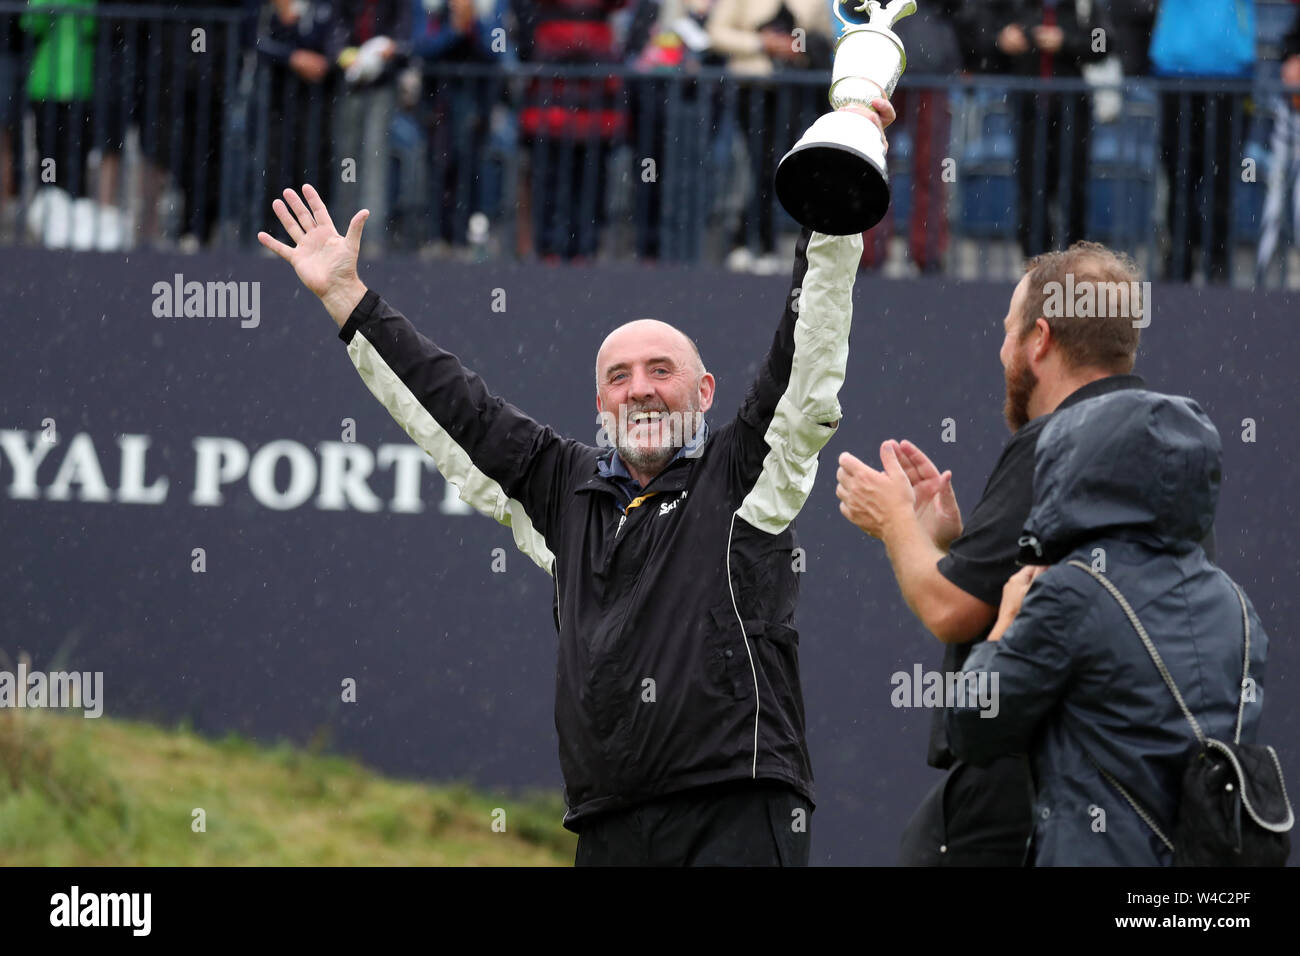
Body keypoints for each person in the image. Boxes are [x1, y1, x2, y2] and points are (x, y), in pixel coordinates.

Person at [256, 98, 893, 866]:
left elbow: (808, 359)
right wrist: (347, 300)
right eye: (619, 377)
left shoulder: (747, 471)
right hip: (607, 822)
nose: (641, 389)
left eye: (663, 371)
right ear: (600, 405)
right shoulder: (563, 490)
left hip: (739, 804)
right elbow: (455, 411)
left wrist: (835, 200)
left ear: (705, 393)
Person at [834, 240, 1212, 865]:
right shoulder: (1168, 459)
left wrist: (894, 520)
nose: (1000, 350)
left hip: (1025, 795)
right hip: (1136, 800)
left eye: (1008, 332)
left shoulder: (1058, 443)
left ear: (1040, 338)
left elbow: (951, 609)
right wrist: (942, 544)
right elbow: (1041, 598)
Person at [946, 388, 1270, 866]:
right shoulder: (1237, 607)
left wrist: (1006, 621)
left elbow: (973, 724)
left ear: (1081, 473)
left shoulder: (1073, 593)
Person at [958, 0, 1112, 256]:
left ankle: (1075, 263)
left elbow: (1104, 43)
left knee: (1074, 189)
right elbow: (977, 38)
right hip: (1028, 112)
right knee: (1031, 190)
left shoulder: (1082, 5)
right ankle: (1034, 267)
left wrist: (1065, 42)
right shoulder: (1015, 6)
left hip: (1073, 112)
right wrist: (1001, 39)